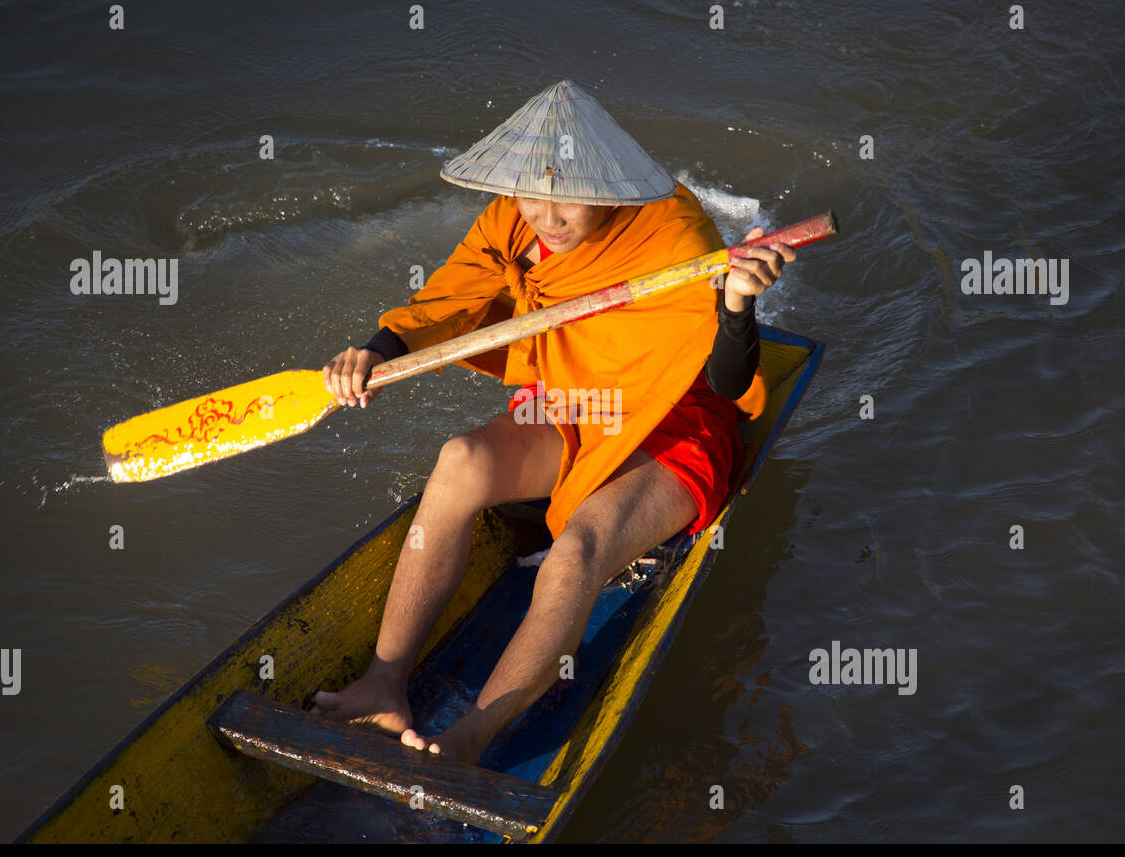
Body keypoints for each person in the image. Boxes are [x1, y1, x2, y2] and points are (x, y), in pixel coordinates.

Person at [310, 81, 795, 765]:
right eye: (532, 194)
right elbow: (444, 302)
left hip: (674, 419)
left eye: (566, 197)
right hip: (573, 400)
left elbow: (729, 381)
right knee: (460, 460)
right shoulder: (514, 219)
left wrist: (738, 305)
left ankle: (468, 738)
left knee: (576, 553)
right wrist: (375, 353)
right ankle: (384, 682)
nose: (546, 216)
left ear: (609, 187)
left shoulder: (676, 233)